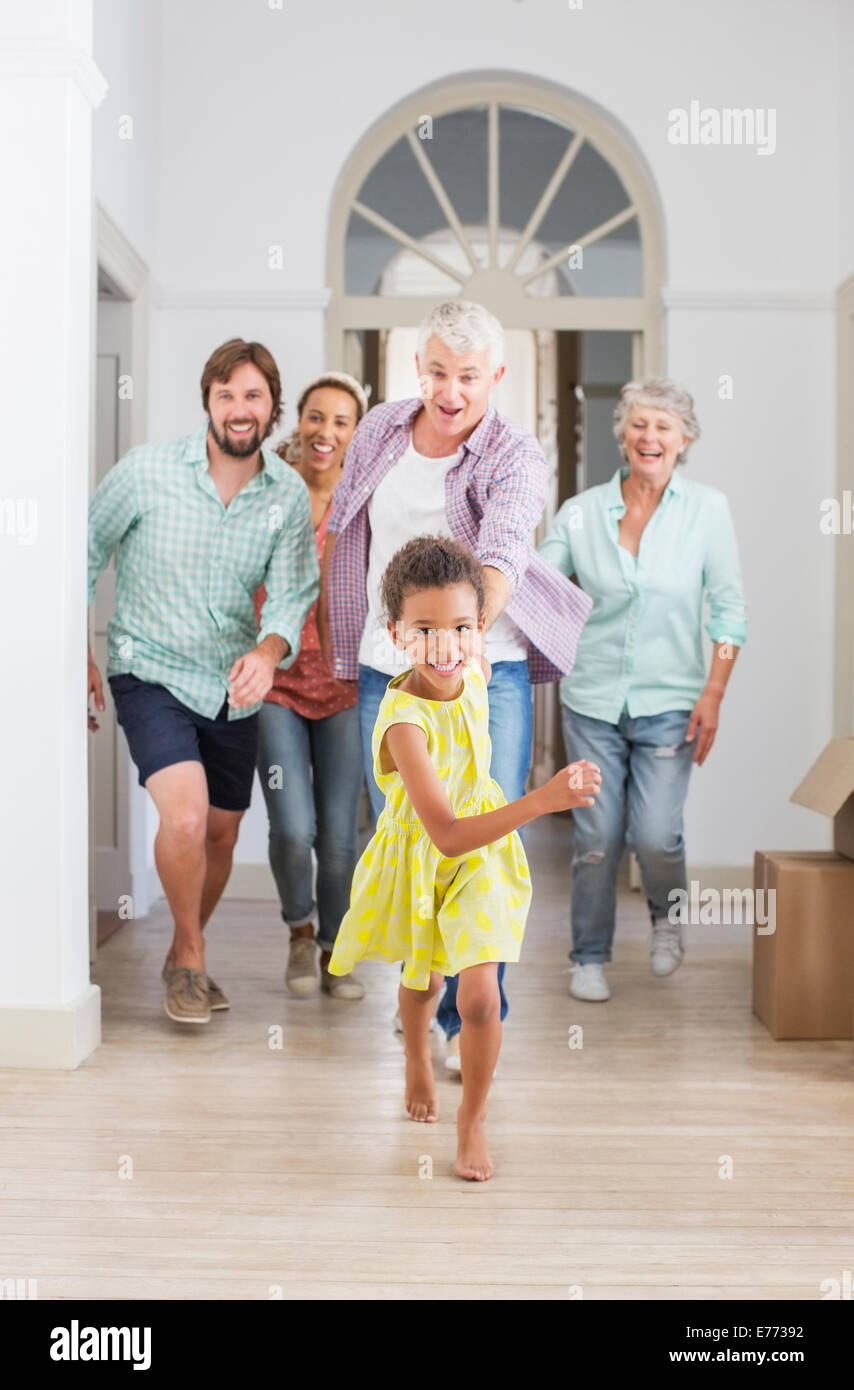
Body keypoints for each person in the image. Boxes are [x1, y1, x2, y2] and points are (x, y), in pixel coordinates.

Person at [318, 300, 591, 1067]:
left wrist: (456, 665)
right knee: (411, 842)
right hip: (386, 668)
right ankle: (424, 1003)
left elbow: (500, 561)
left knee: (482, 845)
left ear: (495, 377)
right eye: (438, 371)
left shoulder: (514, 456)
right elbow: (347, 529)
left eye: (468, 377)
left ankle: (473, 1019)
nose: (450, 391)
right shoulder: (379, 430)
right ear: (419, 367)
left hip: (484, 675)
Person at [328, 536, 601, 1181]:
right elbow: (445, 833)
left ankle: (473, 1118)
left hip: (484, 856)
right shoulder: (403, 722)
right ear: (396, 633)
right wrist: (545, 799)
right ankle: (417, 1055)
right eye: (424, 630)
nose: (444, 646)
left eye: (459, 627)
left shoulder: (475, 671)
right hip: (428, 854)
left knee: (479, 999)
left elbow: (471, 824)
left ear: (478, 629)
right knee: (423, 982)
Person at [87, 339, 319, 1025]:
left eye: (253, 396)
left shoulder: (285, 496)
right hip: (150, 669)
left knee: (220, 833)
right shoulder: (147, 472)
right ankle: (189, 959)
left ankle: (187, 947)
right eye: (226, 395)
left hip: (234, 683)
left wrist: (271, 650)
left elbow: (294, 591)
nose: (240, 409)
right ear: (208, 402)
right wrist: (78, 650)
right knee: (184, 817)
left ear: (272, 405)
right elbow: (82, 549)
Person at [538, 379, 748, 1002]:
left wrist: (713, 693)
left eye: (664, 427)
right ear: (623, 435)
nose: (650, 437)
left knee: (656, 834)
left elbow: (730, 610)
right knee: (597, 837)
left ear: (684, 441)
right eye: (639, 425)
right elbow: (539, 580)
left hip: (671, 701)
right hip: (592, 701)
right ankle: (589, 955)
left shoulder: (707, 510)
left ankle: (666, 919)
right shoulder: (580, 513)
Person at [253, 373, 369, 999]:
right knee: (293, 828)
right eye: (316, 417)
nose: (326, 431)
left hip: (346, 687)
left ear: (356, 432)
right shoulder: (267, 491)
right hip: (277, 684)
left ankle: (336, 948)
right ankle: (300, 932)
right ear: (299, 421)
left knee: (340, 835)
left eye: (341, 421)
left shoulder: (364, 500)